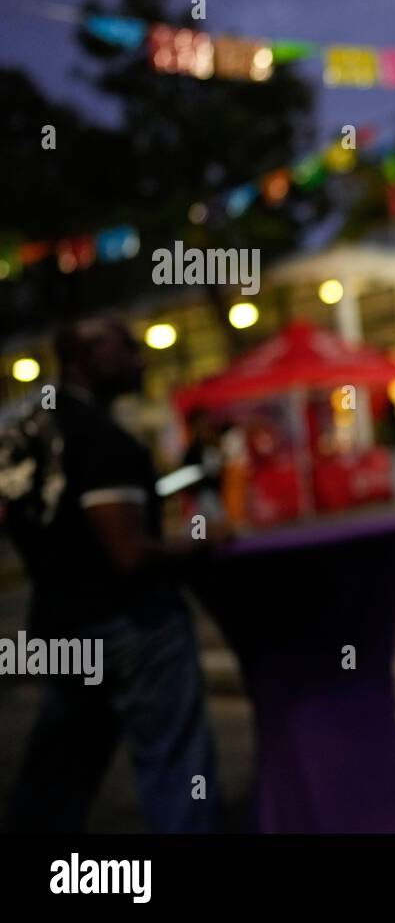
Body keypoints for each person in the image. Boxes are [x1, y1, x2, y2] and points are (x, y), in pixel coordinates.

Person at [1, 317, 225, 833]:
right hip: (132, 626)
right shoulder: (100, 438)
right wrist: (200, 538)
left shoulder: (33, 429)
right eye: (127, 347)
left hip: (60, 625)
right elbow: (127, 553)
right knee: (176, 770)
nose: (141, 359)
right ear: (85, 356)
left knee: (58, 774)